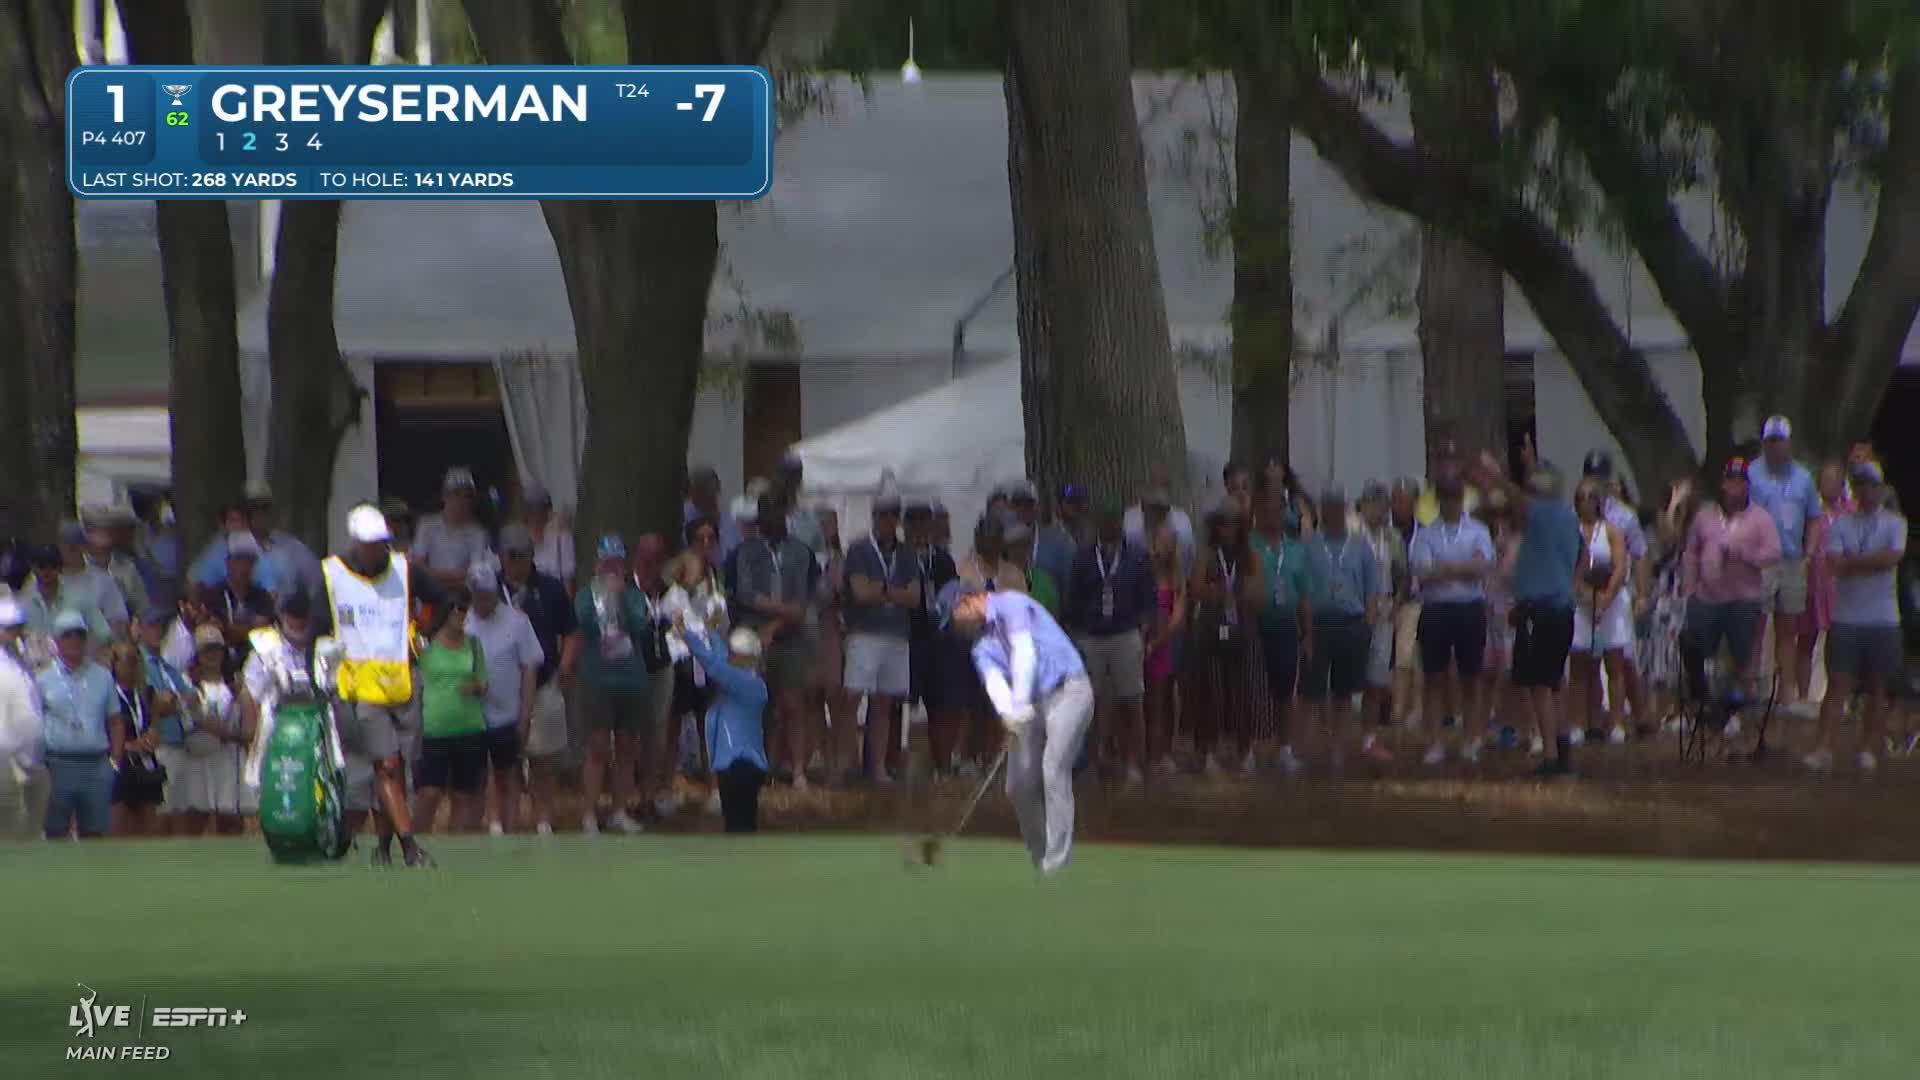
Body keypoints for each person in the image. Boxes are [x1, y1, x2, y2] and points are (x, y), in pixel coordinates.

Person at [317, 503, 441, 867]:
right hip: (361, 688)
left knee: (397, 769)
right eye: (370, 544)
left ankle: (383, 848)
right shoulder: (332, 573)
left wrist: (423, 637)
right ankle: (410, 847)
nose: (378, 550)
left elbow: (444, 599)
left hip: (402, 681)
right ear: (356, 543)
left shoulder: (404, 569)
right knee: (386, 765)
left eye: (382, 543)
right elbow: (319, 623)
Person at [943, 582, 1094, 875]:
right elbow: (995, 683)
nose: (954, 626)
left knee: (1053, 768)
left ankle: (1057, 861)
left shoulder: (1011, 603)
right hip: (1033, 703)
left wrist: (1020, 703)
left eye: (953, 616)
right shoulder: (980, 646)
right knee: (1017, 785)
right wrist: (1008, 714)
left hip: (1069, 690)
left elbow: (1025, 653)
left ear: (967, 602)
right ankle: (1041, 858)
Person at [1471, 451, 1583, 777]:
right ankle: (1562, 748)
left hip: (1540, 609)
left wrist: (1495, 475)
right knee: (1555, 681)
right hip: (1560, 608)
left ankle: (1550, 756)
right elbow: (1583, 555)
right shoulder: (1568, 517)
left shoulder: (1541, 514)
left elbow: (1516, 499)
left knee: (1539, 685)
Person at [1806, 461, 1907, 772]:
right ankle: (1824, 747)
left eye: (1872, 485)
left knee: (1878, 687)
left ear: (1882, 488)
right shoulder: (1841, 524)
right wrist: (1869, 562)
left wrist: (1854, 562)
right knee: (1838, 684)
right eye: (1861, 484)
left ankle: (1867, 749)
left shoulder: (1895, 523)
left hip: (1883, 619)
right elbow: (1834, 563)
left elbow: (1892, 558)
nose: (1866, 491)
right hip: (1846, 617)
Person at [1680, 457, 1782, 713]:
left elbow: (1773, 552)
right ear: (1723, 484)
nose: (1735, 486)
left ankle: (1738, 706)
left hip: (1743, 598)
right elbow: (1691, 551)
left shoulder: (1760, 518)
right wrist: (1689, 587)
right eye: (1730, 481)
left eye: (1740, 481)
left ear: (1747, 486)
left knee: (1741, 655)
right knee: (1694, 645)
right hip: (1707, 596)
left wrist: (1745, 555)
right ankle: (1700, 699)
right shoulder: (1705, 516)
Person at [497, 523, 580, 835]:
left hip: (544, 682)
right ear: (501, 556)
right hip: (501, 689)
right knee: (502, 761)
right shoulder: (490, 588)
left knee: (542, 757)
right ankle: (501, 821)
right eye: (511, 555)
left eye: (522, 555)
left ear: (532, 555)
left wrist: (565, 668)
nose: (516, 562)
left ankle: (543, 819)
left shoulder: (550, 588)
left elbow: (571, 631)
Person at [734, 492, 820, 789]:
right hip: (755, 634)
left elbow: (803, 602)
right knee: (760, 704)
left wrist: (777, 621)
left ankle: (797, 771)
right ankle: (761, 767)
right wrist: (784, 611)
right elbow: (747, 596)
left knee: (793, 703)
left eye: (777, 513)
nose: (773, 520)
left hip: (791, 636)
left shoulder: (800, 552)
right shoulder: (746, 552)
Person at [1408, 474, 1496, 764]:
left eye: (1455, 497)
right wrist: (1463, 568)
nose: (1451, 503)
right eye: (1446, 498)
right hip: (1436, 610)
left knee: (1471, 677)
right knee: (1434, 678)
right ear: (1439, 501)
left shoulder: (1478, 531)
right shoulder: (1426, 534)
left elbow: (1483, 567)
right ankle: (1435, 742)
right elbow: (1423, 572)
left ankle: (1471, 740)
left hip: (1469, 608)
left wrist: (1445, 568)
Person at [1064, 501, 1155, 779]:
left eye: (1114, 520)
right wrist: (1078, 635)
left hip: (1125, 634)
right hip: (1092, 637)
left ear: (1121, 523)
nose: (1109, 526)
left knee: (1132, 701)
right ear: (1097, 524)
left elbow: (1148, 599)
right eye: (1104, 521)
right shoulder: (1084, 556)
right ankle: (1096, 763)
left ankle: (1137, 763)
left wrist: (1143, 633)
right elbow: (1073, 600)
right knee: (1093, 703)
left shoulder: (1137, 555)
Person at [1299, 488, 1389, 767]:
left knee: (1343, 692)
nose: (1333, 512)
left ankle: (1337, 748)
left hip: (1351, 624)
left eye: (1338, 506)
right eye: (1328, 506)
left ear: (1346, 509)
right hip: (1318, 623)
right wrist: (1305, 630)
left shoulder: (1361, 547)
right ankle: (1311, 747)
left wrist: (1367, 626)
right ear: (1321, 510)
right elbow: (1302, 590)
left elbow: (1372, 590)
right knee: (1312, 691)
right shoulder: (1310, 546)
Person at [574, 535, 657, 835]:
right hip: (598, 679)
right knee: (597, 746)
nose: (611, 568)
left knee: (627, 746)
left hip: (630, 680)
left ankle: (620, 810)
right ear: (598, 563)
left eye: (616, 563)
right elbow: (583, 623)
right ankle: (589, 812)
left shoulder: (633, 595)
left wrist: (619, 599)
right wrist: (604, 598)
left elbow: (639, 626)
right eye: (606, 562)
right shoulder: (586, 595)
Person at [1748, 416, 1825, 717]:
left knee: (1788, 628)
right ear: (1764, 443)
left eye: (1780, 441)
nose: (1775, 447)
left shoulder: (1803, 478)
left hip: (1792, 559)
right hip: (1759, 561)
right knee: (1755, 626)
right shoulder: (1752, 474)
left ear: (1789, 443)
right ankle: (1753, 691)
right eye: (1771, 441)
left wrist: (1809, 553)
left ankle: (1785, 696)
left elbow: (1814, 517)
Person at [844, 495, 921, 784]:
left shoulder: (906, 553)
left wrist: (883, 590)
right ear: (875, 516)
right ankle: (847, 762)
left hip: (896, 635)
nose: (888, 520)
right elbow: (860, 593)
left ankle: (877, 767)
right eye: (883, 514)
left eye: (892, 515)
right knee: (852, 698)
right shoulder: (859, 549)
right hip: (865, 633)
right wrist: (894, 591)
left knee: (884, 702)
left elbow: (915, 597)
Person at [465, 566, 544, 834]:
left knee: (509, 775)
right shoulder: (461, 622)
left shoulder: (517, 622)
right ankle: (479, 832)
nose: (484, 600)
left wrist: (525, 716)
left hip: (508, 715)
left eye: (488, 594)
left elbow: (529, 670)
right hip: (472, 716)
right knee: (475, 780)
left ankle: (509, 831)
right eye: (478, 595)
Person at [660, 525, 731, 809]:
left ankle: (715, 790)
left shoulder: (716, 587)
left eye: (711, 539)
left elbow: (719, 624)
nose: (706, 544)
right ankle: (666, 789)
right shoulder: (672, 592)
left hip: (709, 664)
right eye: (700, 539)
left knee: (709, 727)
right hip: (680, 664)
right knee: (672, 727)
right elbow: (673, 625)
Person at [38, 610, 125, 839]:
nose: (74, 640)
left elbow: (116, 721)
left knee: (95, 833)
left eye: (79, 634)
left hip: (96, 765)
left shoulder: (103, 676)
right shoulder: (43, 679)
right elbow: (36, 724)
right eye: (68, 635)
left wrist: (114, 762)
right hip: (57, 764)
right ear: (57, 641)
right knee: (55, 832)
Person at [412, 583, 490, 833]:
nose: (463, 615)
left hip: (469, 727)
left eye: (467, 609)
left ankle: (456, 845)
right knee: (429, 793)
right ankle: (415, 841)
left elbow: (483, 681)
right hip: (434, 729)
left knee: (463, 794)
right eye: (459, 608)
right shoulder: (424, 645)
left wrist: (475, 686)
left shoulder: (473, 644)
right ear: (446, 610)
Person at [1187, 501, 1254, 776]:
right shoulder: (1207, 554)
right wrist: (1216, 592)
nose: (1229, 529)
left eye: (1234, 523)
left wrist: (1241, 594)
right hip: (1210, 627)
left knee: (1241, 692)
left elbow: (1258, 589)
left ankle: (1244, 751)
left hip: (1239, 628)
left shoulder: (1247, 556)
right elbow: (1195, 588)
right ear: (1216, 527)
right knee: (1208, 692)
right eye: (1224, 523)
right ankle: (1207, 751)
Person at [682, 625, 770, 832]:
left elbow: (713, 665)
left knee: (739, 826)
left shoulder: (745, 683)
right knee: (738, 825)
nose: (730, 657)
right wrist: (712, 633)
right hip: (736, 765)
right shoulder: (744, 680)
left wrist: (686, 634)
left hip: (739, 765)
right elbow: (721, 660)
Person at [1568, 478, 1636, 749]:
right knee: (1580, 665)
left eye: (1591, 497)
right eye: (1581, 497)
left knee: (1614, 663)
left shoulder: (1611, 531)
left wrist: (1606, 598)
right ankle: (1581, 723)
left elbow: (1620, 566)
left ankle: (1616, 722)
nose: (1586, 502)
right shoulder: (1571, 531)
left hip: (1611, 601)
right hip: (1580, 601)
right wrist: (1583, 594)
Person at [1251, 486, 1314, 775]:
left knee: (1286, 690)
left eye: (1279, 509)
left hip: (1286, 625)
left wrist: (1308, 634)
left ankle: (1285, 748)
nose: (1274, 515)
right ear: (1258, 511)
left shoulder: (1296, 550)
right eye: (1268, 509)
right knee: (1255, 690)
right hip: (1255, 625)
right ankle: (1252, 748)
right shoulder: (1249, 546)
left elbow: (1304, 595)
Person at [1637, 480, 1698, 737]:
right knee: (1656, 654)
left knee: (1677, 656)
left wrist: (1679, 508)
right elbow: (1668, 538)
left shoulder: (1694, 528)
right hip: (1661, 599)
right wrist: (1674, 505)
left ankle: (1677, 711)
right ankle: (1652, 711)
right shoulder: (1654, 528)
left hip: (1682, 599)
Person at [1354, 483, 1405, 741]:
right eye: (1374, 505)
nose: (1380, 511)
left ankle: (1369, 737)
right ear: (1363, 506)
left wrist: (1396, 603)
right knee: (1348, 678)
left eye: (1384, 506)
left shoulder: (1393, 538)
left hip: (1384, 611)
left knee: (1376, 677)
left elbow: (1401, 574)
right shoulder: (1352, 535)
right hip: (1355, 611)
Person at [809, 507, 855, 785]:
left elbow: (842, 594)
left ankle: (840, 761)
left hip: (832, 631)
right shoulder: (805, 557)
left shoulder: (841, 560)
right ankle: (823, 757)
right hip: (810, 630)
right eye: (821, 524)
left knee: (835, 696)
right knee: (813, 697)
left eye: (829, 524)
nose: (825, 529)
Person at [1799, 461, 1850, 704]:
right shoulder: (1809, 510)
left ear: (1842, 483)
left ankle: (1834, 696)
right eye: (1826, 479)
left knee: (1838, 645)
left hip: (1839, 589)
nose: (1829, 484)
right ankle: (1802, 696)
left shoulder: (1850, 512)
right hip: (1810, 584)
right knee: (1805, 640)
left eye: (1834, 480)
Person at [0, 595, 49, 841]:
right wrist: (27, 762)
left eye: (17, 629)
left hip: (20, 762)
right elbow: (25, 724)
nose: (15, 635)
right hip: (10, 764)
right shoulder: (9, 669)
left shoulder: (19, 664)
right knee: (15, 838)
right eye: (9, 629)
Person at [105, 642, 166, 835]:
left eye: (136, 660)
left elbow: (155, 723)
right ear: (114, 664)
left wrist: (153, 736)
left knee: (149, 829)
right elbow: (102, 730)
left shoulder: (146, 693)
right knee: (118, 829)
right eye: (128, 660)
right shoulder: (108, 694)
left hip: (145, 764)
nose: (133, 665)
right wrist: (128, 745)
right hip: (120, 766)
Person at [1142, 524, 1187, 781]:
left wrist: (1157, 643)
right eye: (1162, 541)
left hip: (1163, 647)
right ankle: (1147, 754)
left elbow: (1178, 619)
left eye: (1170, 542)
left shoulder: (1176, 578)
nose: (1165, 547)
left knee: (1162, 702)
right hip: (1145, 642)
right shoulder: (1144, 572)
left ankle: (1160, 755)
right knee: (1145, 704)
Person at [413, 467, 494, 590]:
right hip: (428, 593)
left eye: (467, 496)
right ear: (444, 496)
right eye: (457, 494)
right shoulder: (426, 525)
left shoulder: (479, 533)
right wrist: (455, 576)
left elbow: (474, 575)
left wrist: (432, 574)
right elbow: (418, 568)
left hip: (463, 595)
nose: (462, 500)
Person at [21, 542, 112, 649]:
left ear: (61, 568)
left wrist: (86, 650)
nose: (47, 571)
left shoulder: (80, 597)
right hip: (34, 657)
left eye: (53, 566)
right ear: (33, 567)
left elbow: (104, 634)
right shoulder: (23, 601)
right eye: (42, 566)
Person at [1034, 483, 1089, 589]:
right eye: (1071, 503)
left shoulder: (1093, 534)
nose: (1077, 507)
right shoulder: (1047, 537)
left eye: (1080, 502)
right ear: (1059, 506)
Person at [684, 466, 741, 565]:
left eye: (709, 492)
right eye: (700, 492)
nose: (705, 498)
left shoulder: (731, 517)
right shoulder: (685, 516)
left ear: (718, 488)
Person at [521, 485, 575, 587]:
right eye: (532, 516)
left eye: (542, 515)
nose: (537, 522)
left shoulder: (562, 540)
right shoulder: (517, 544)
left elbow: (568, 584)